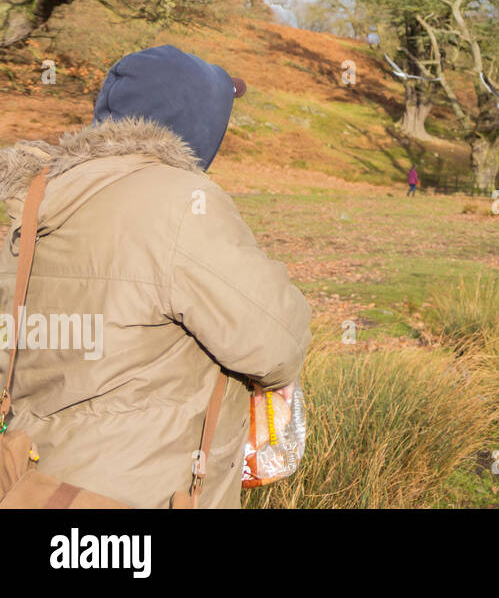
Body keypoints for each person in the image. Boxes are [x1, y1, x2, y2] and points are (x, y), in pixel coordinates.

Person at [0, 45, 312, 508]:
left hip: (32, 477)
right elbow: (276, 345)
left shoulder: (30, 194)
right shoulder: (181, 204)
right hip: (140, 490)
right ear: (198, 124)